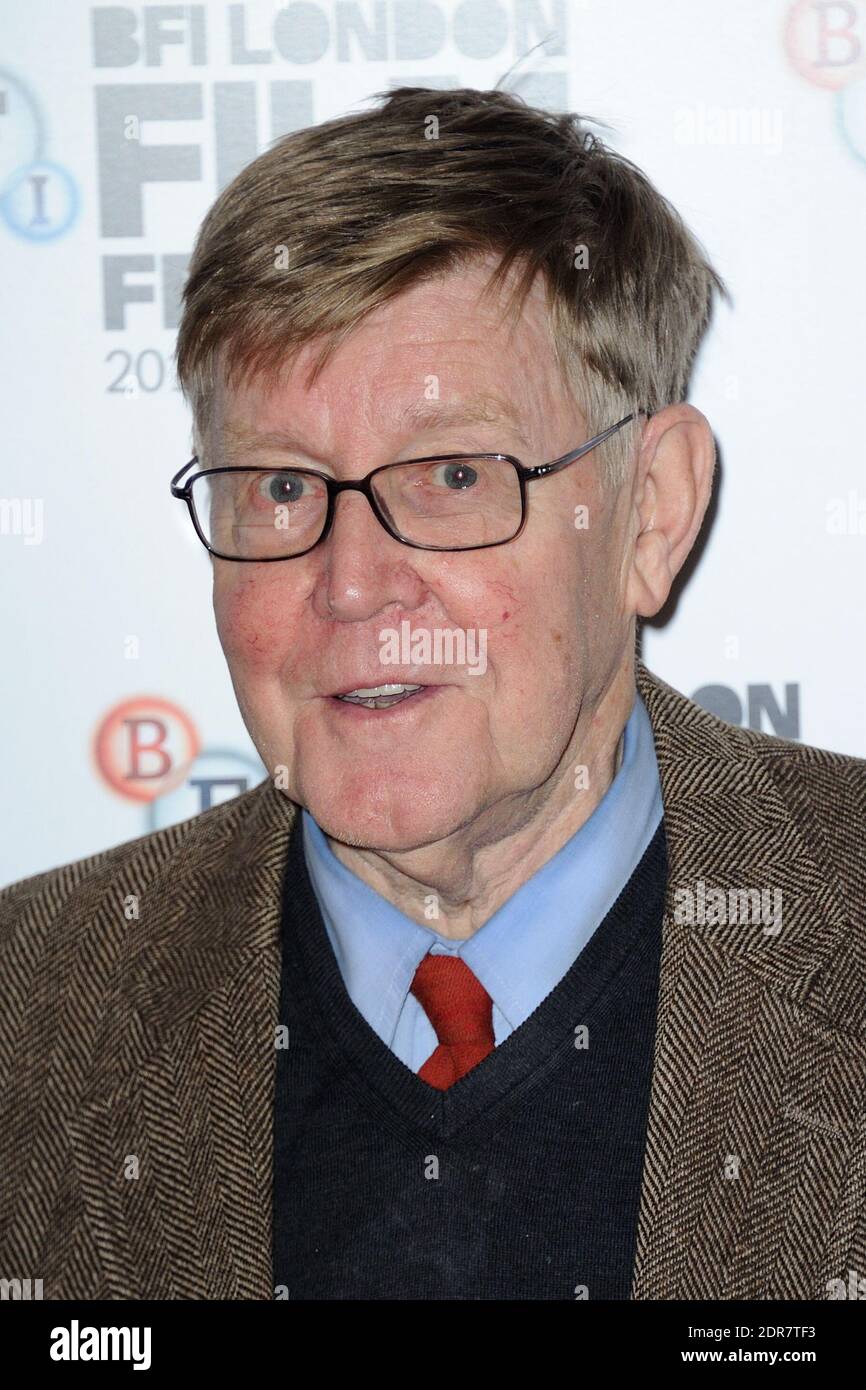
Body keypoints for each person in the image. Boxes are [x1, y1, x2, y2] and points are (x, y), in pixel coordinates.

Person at [1, 86, 864, 1302]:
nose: (350, 586)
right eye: (282, 488)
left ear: (649, 513)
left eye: (454, 474)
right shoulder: (28, 1008)